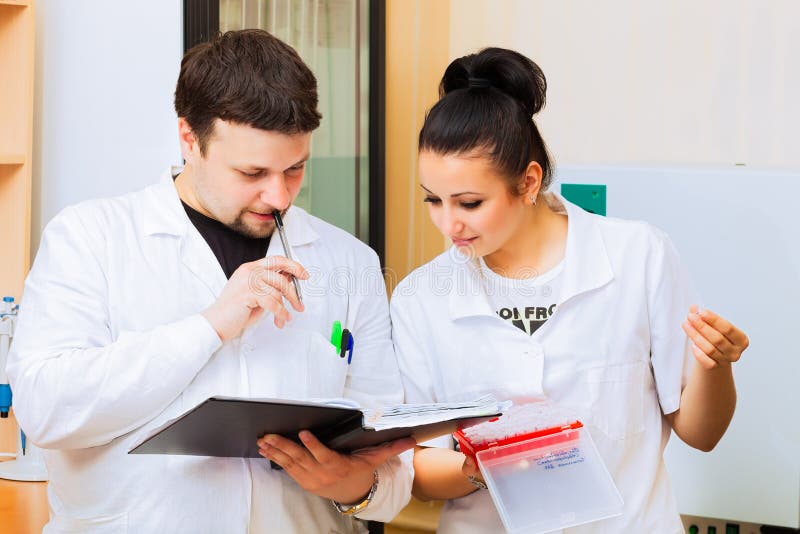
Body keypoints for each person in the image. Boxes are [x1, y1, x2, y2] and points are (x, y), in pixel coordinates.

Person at [7, 30, 413, 533]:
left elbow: (393, 470)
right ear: (189, 139)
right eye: (252, 171)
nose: (279, 196)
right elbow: (46, 410)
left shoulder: (350, 261)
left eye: (294, 169)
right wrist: (209, 327)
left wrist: (351, 484)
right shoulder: (90, 237)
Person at [389, 47, 750, 533]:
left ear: (529, 181)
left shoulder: (637, 256)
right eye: (433, 200)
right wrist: (476, 468)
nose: (448, 223)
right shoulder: (420, 298)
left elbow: (700, 433)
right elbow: (420, 467)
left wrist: (716, 365)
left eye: (470, 203)